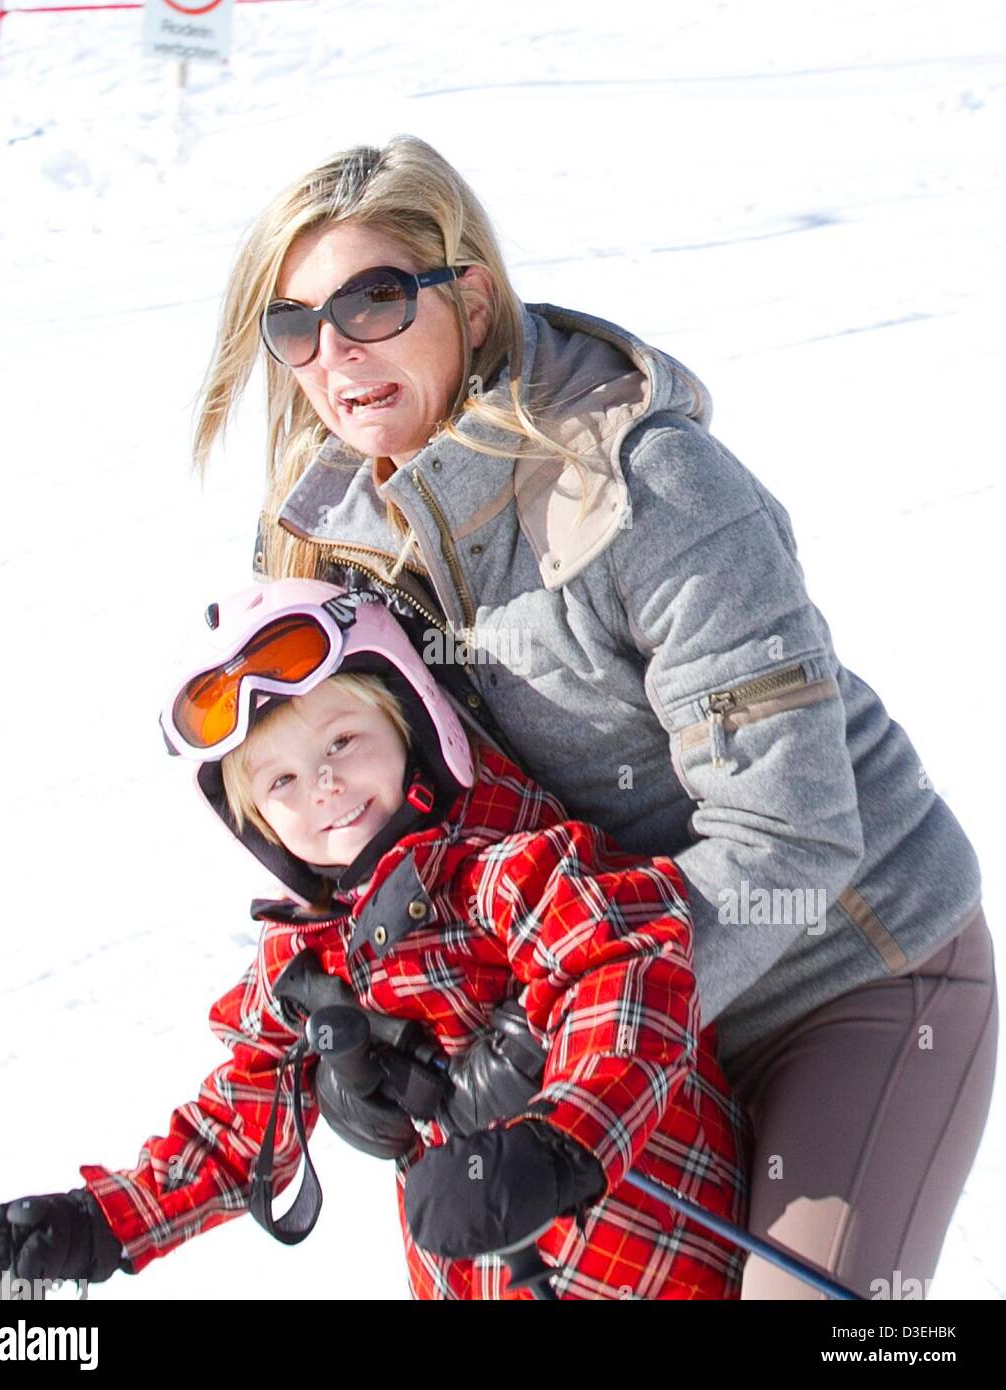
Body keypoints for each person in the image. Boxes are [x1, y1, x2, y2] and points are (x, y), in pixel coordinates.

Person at [187, 134, 998, 1299]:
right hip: (602, 996)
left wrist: (550, 1051)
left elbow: (796, 832)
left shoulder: (649, 488)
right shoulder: (324, 551)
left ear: (468, 295)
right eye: (295, 324)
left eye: (372, 300)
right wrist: (353, 1039)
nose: (334, 353)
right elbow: (344, 823)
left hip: (845, 974)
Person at [0, 579, 751, 1302]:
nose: (325, 787)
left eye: (341, 742)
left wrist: (560, 1147)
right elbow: (243, 1127)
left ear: (414, 721)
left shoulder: (513, 871)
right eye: (282, 782)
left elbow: (624, 975)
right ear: (260, 829)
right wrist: (97, 1225)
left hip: (663, 1257)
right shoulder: (307, 962)